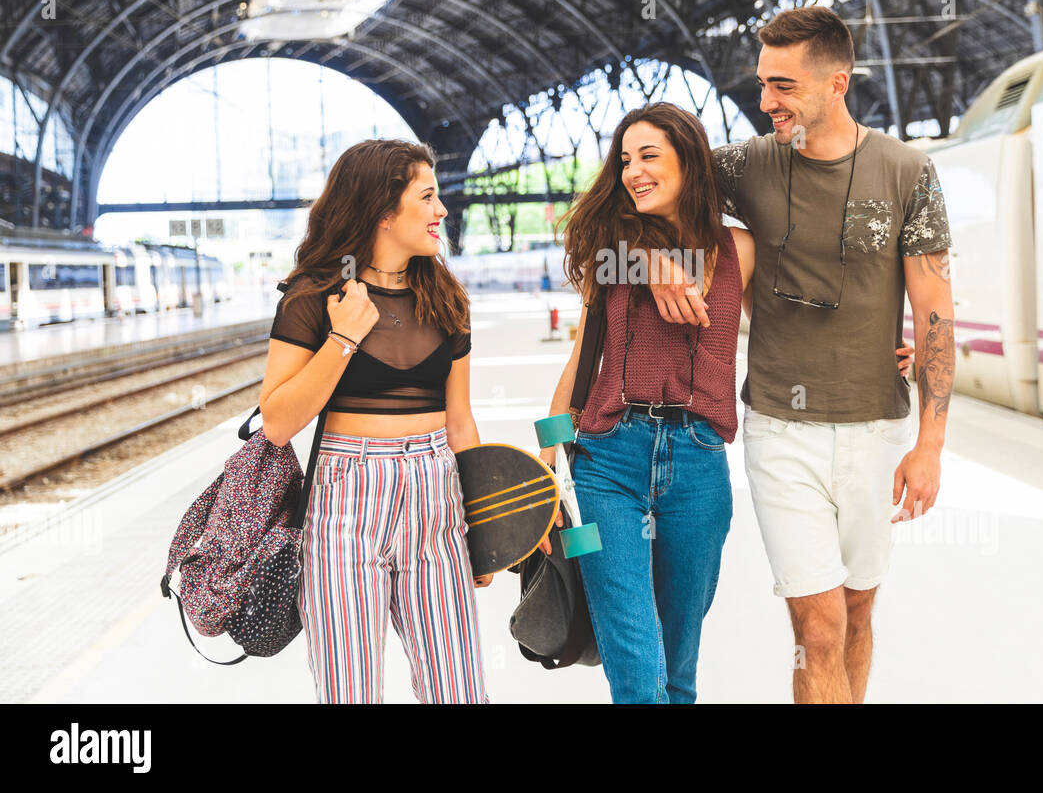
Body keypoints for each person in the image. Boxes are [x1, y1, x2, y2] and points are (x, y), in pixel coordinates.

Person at [541, 102, 916, 703]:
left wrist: (879, 352)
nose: (633, 171)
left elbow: (786, 327)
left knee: (679, 654)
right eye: (625, 160)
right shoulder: (611, 248)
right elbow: (584, 357)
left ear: (689, 162)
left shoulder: (737, 249)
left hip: (697, 465)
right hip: (605, 461)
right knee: (635, 657)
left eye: (649, 156)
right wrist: (547, 456)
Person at [650, 6, 956, 704]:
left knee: (855, 616)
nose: (766, 103)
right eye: (762, 84)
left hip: (877, 428)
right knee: (815, 628)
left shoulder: (908, 172)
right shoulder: (743, 166)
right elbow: (637, 186)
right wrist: (649, 256)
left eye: (783, 86)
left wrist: (930, 445)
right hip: (780, 432)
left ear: (836, 83)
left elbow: (936, 316)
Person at [258, 138, 489, 704]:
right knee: (350, 692)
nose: (441, 211)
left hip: (436, 495)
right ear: (384, 212)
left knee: (458, 690)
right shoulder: (313, 297)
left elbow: (459, 423)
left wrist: (482, 525)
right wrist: (342, 338)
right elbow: (278, 422)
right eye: (428, 196)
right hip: (344, 501)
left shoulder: (446, 297)